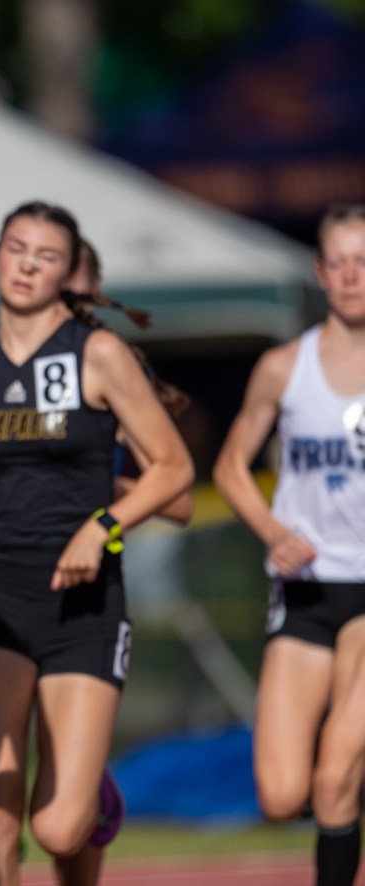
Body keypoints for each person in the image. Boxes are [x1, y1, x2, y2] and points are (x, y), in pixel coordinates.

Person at [0, 202, 193, 886]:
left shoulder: (99, 354)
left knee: (58, 828)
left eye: (47, 255)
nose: (28, 263)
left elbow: (175, 472)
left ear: (68, 272)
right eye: (17, 248)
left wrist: (103, 526)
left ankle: (90, 791)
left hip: (85, 608)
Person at [213, 204, 365, 886]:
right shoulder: (283, 367)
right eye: (339, 262)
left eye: (364, 262)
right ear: (319, 272)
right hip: (304, 592)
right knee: (282, 793)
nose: (352, 276)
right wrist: (273, 531)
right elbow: (228, 467)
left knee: (334, 779)